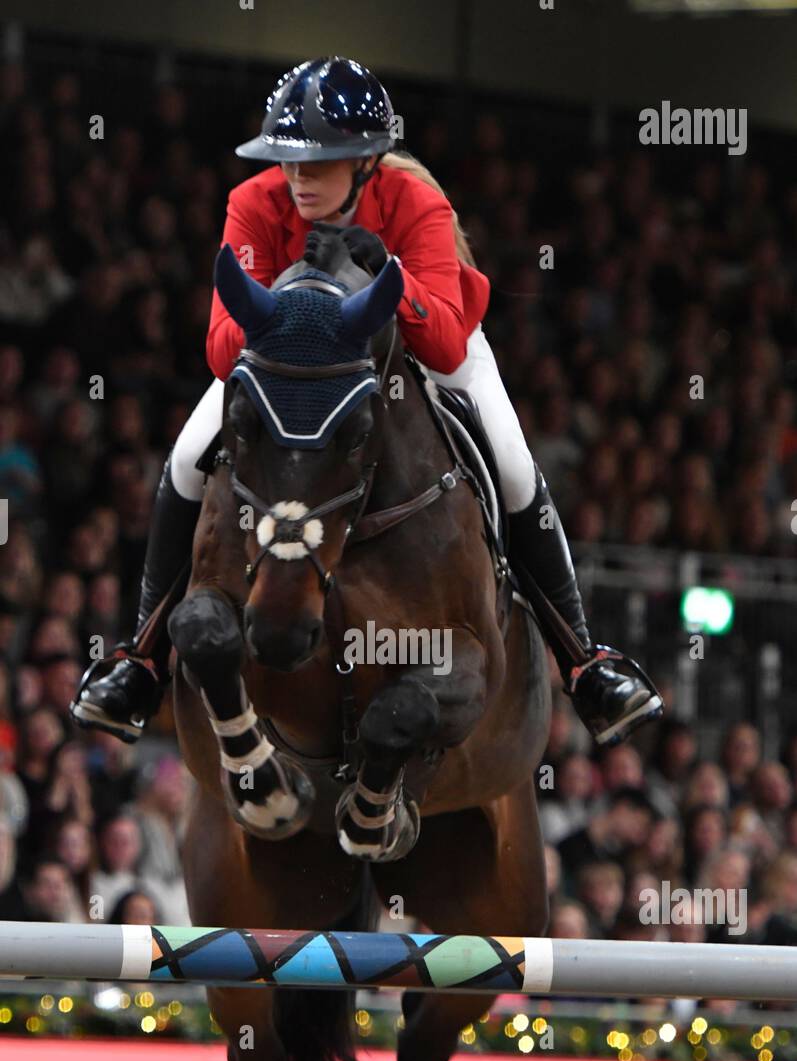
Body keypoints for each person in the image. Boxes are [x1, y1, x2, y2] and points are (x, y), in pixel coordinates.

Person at [71, 56, 662, 749]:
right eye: (289, 162)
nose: (296, 180)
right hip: (291, 363)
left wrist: (388, 272)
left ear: (364, 163)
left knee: (508, 462)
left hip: (414, 348)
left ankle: (583, 660)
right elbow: (220, 349)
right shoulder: (253, 202)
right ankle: (141, 657)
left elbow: (443, 342)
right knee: (183, 463)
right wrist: (297, 296)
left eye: (316, 164)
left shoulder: (416, 205)